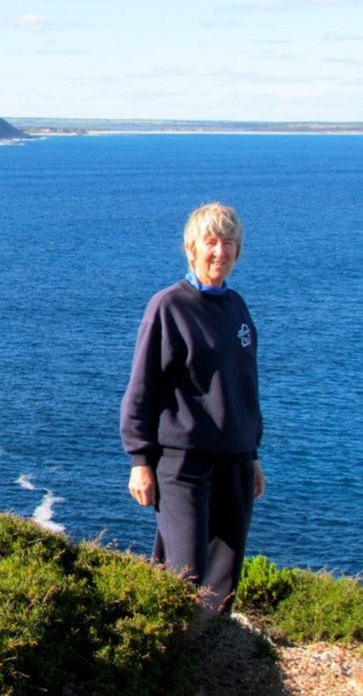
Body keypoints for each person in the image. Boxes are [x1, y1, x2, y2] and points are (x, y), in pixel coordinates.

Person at [120, 202, 265, 614]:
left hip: (235, 460)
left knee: (225, 575)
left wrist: (252, 455)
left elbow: (244, 385)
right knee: (184, 573)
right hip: (184, 464)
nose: (220, 251)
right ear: (192, 248)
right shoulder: (168, 307)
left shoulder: (237, 307)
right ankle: (168, 659)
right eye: (211, 242)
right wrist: (140, 461)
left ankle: (208, 658)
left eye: (230, 243)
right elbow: (142, 388)